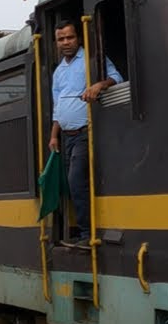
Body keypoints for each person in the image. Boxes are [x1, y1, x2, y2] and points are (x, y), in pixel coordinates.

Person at [48, 19, 122, 243]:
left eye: (70, 37)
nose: (66, 42)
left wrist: (99, 85)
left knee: (76, 181)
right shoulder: (59, 71)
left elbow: (116, 77)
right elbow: (57, 105)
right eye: (61, 39)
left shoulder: (91, 59)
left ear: (78, 38)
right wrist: (53, 135)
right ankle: (83, 230)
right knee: (72, 185)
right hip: (66, 137)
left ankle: (87, 234)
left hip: (84, 133)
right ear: (56, 43)